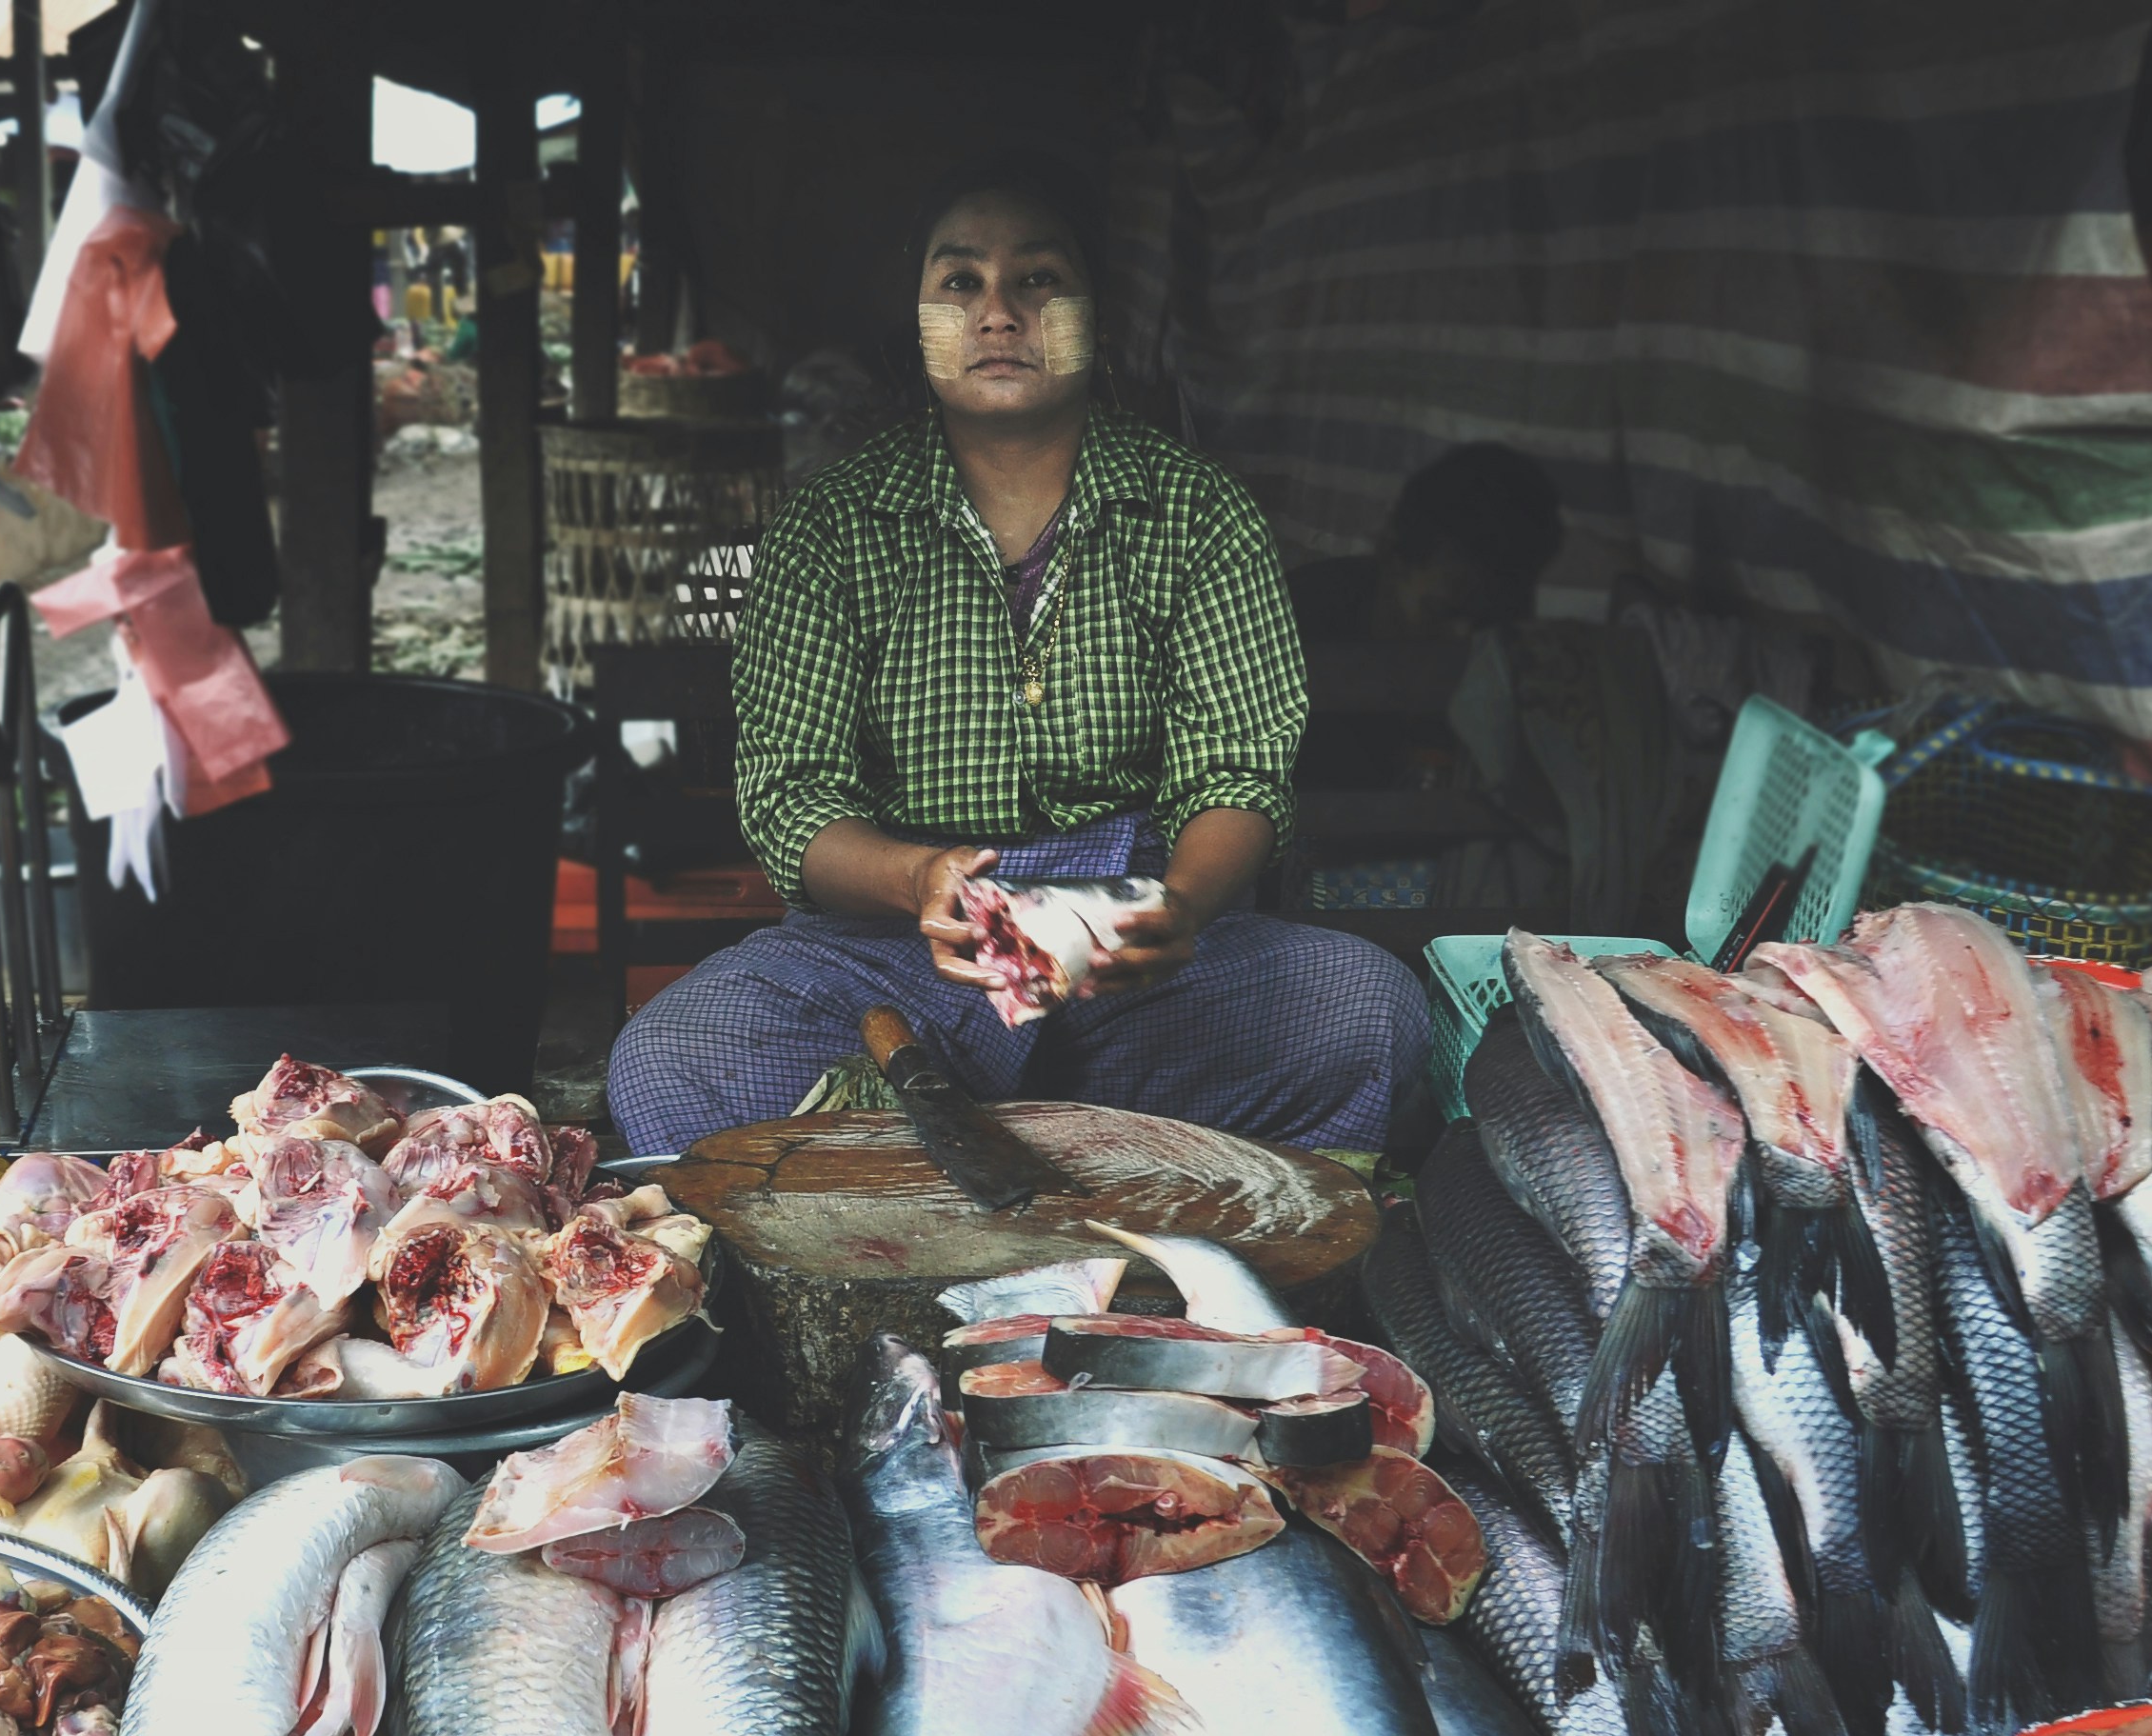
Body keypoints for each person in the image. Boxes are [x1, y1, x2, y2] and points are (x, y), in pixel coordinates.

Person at [606, 158, 1428, 1161]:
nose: (999, 313)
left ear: (1097, 312)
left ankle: (943, 1169)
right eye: (960, 282)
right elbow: (791, 797)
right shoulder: (830, 527)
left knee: (1368, 1014)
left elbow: (1236, 774)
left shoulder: (1202, 516)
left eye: (1038, 279)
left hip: (1135, 954)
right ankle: (1072, 1170)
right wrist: (919, 880)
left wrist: (1184, 905)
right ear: (917, 323)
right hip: (897, 951)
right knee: (673, 1055)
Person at [1285, 442, 1567, 644]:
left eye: (1489, 625)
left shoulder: (1512, 654)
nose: (1464, 641)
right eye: (1440, 613)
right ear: (1390, 553)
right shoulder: (1290, 629)